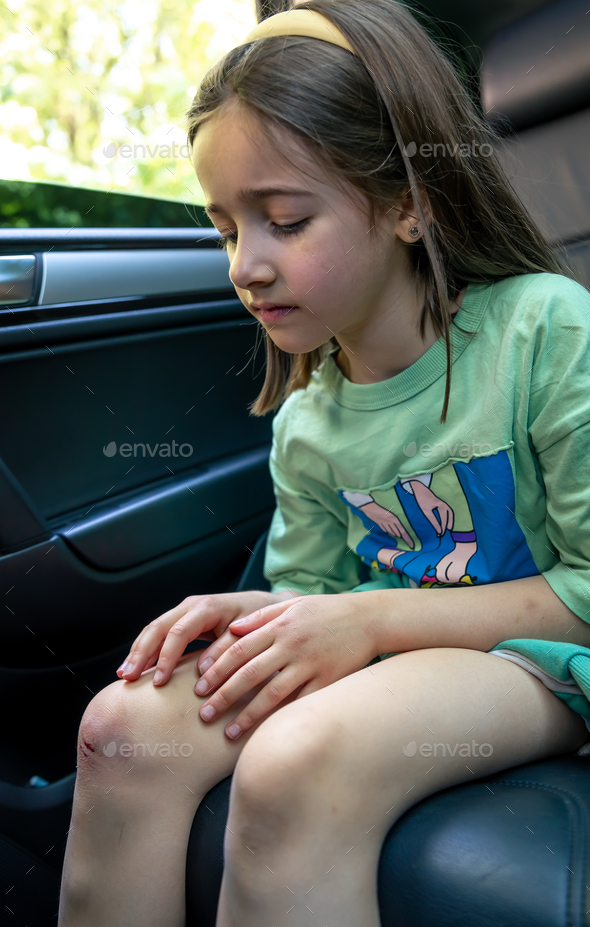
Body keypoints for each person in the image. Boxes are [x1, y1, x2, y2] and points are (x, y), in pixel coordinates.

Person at [57, 2, 590, 925]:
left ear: (409, 207)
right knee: (123, 732)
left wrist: (365, 621)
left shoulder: (546, 330)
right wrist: (257, 612)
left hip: (546, 661)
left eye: (285, 221)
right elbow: (320, 599)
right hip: (395, 649)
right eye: (227, 228)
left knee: (296, 758)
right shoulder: (308, 420)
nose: (244, 266)